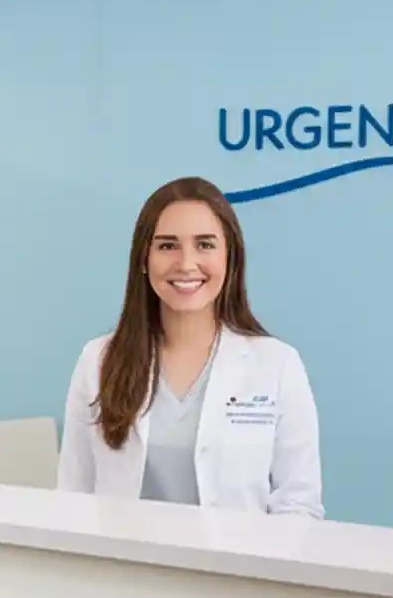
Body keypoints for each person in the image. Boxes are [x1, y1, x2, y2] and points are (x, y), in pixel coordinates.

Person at [56, 176, 323, 518]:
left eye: (205, 245)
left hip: (235, 568)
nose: (186, 263)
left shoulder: (277, 365)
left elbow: (298, 504)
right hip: (122, 568)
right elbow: (73, 495)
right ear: (143, 259)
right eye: (168, 246)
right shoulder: (99, 360)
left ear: (231, 258)